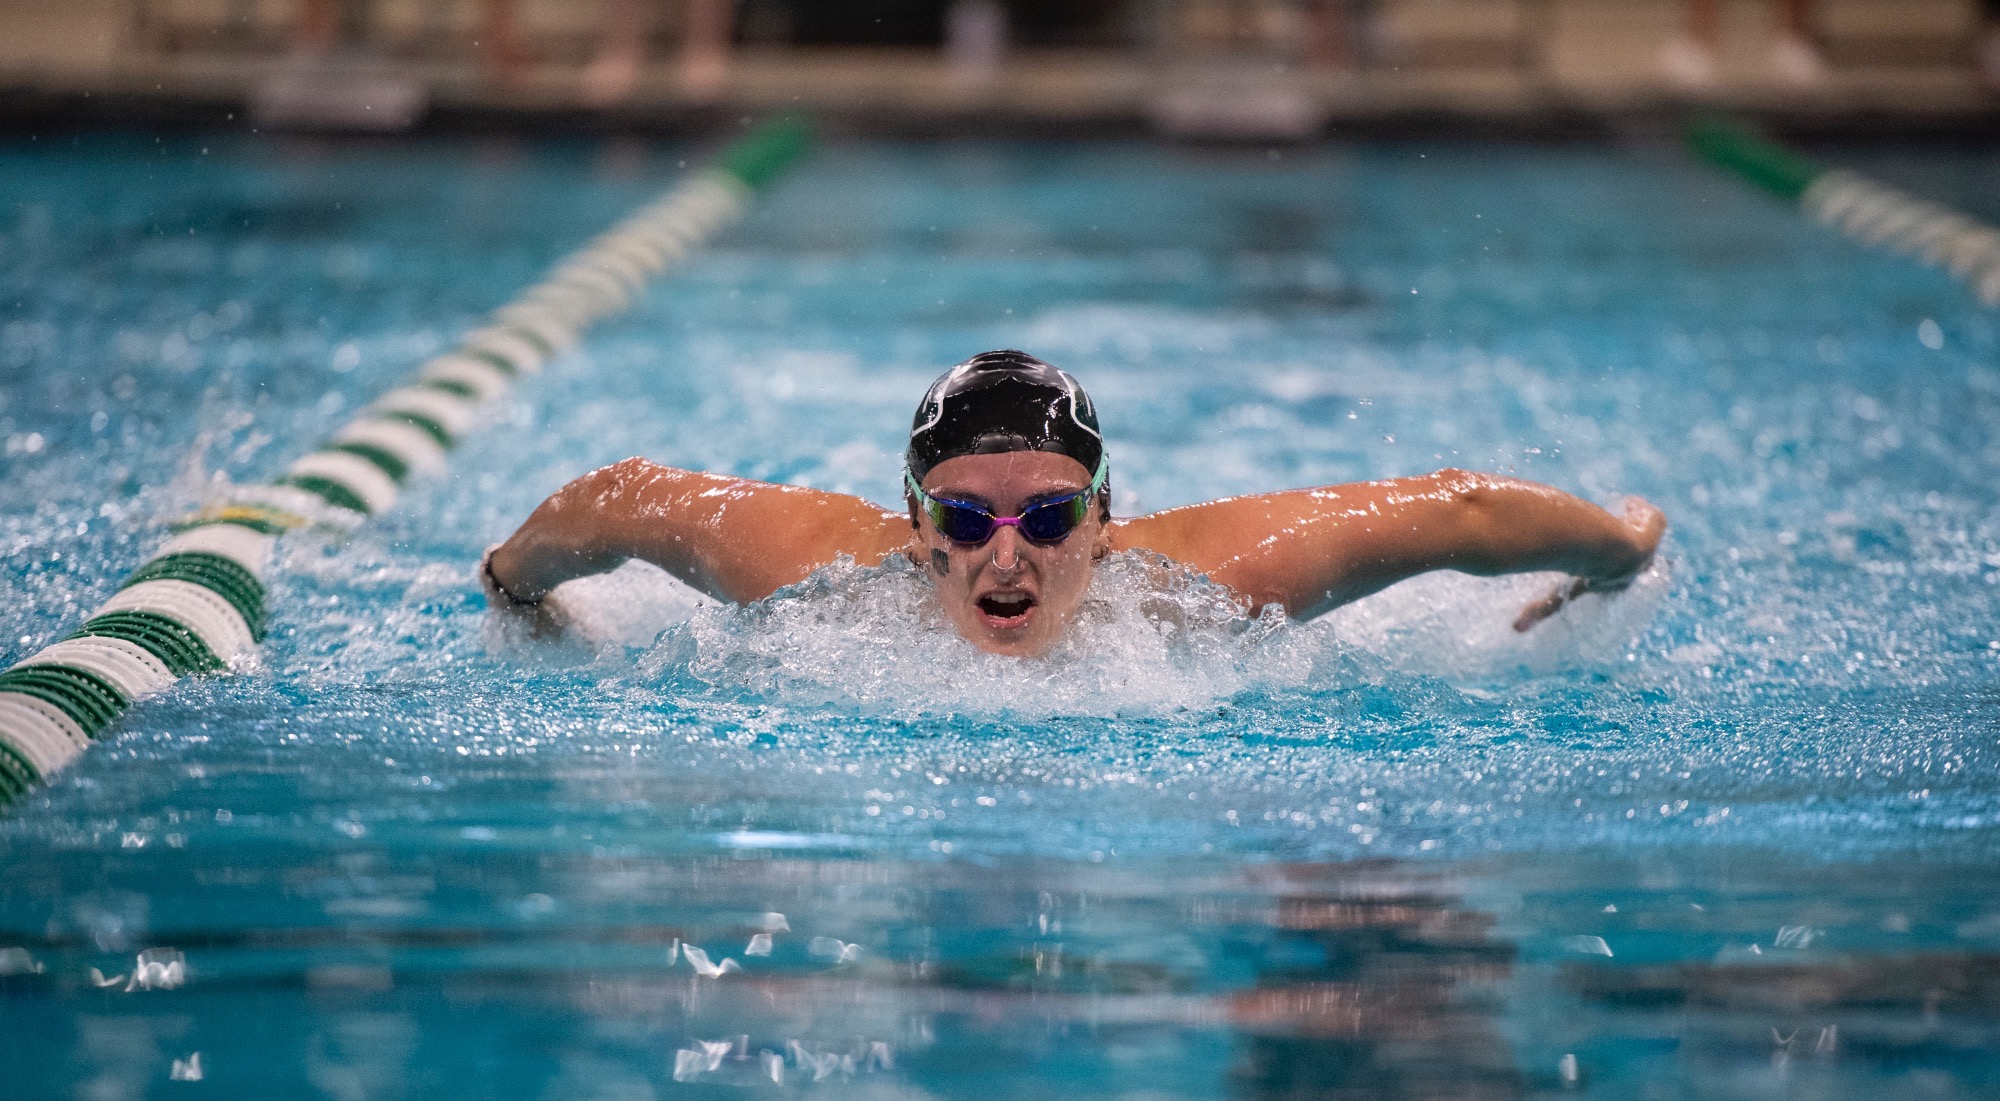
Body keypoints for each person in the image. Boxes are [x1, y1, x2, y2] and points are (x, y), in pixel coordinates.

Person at [481, 350, 1665, 657]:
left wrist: (1612, 550)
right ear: (910, 525)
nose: (1007, 557)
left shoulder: (1204, 590)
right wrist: (511, 585)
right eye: (963, 521)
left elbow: (1451, 513)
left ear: (1105, 519)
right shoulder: (817, 580)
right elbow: (623, 499)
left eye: (1047, 520)